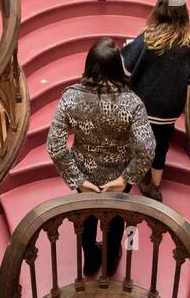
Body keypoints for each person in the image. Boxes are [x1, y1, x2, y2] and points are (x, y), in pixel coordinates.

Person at [46, 38, 155, 275]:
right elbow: (147, 148)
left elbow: (54, 145)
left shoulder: (71, 98)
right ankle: (111, 257)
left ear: (88, 66)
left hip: (85, 173)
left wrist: (77, 180)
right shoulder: (133, 103)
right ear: (118, 66)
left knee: (86, 219)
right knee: (115, 219)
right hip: (117, 177)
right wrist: (126, 179)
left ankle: (91, 260)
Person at [121, 0, 190, 199]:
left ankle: (137, 175)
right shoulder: (189, 45)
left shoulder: (147, 39)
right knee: (161, 145)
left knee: (138, 140)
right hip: (169, 110)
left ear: (158, 12)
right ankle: (155, 186)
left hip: (143, 106)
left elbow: (125, 69)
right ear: (184, 15)